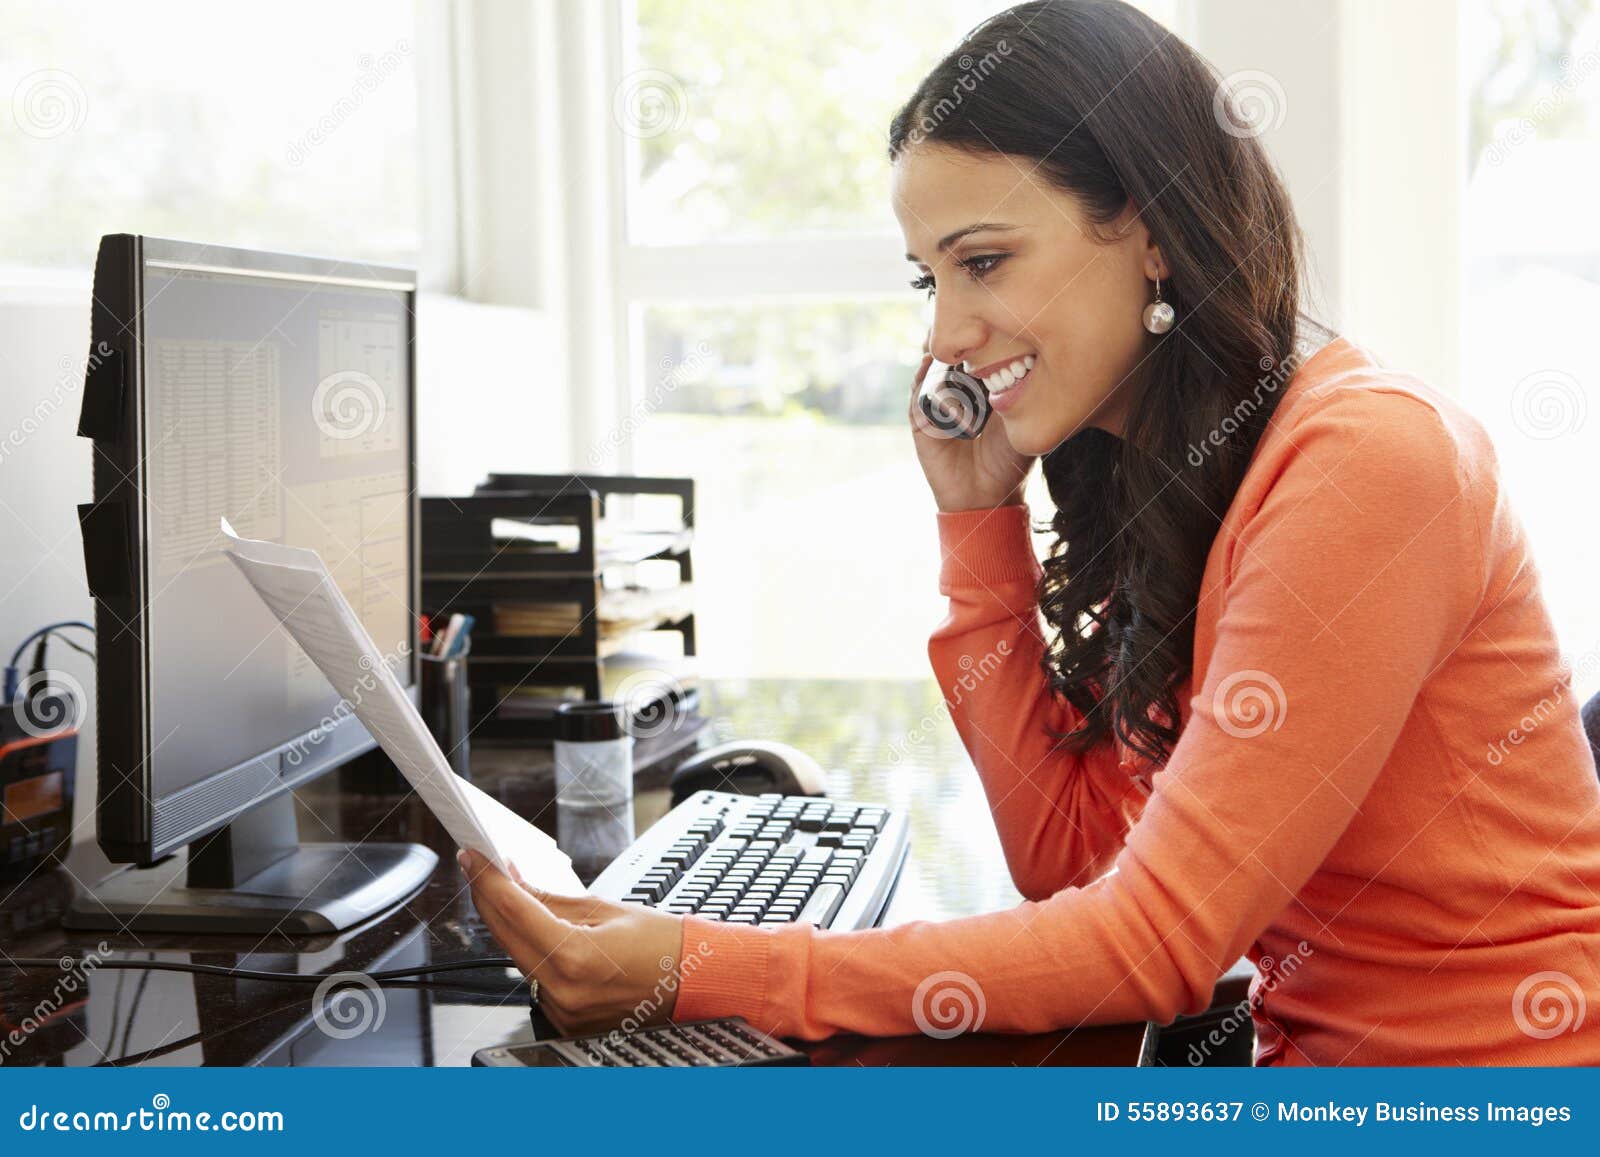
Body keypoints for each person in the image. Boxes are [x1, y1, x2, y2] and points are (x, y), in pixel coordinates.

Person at [460, 0, 1600, 1064]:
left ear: (1149, 232)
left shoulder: (1366, 464)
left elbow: (1154, 941)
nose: (947, 332)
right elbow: (1077, 860)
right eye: (930, 278)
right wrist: (976, 519)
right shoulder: (1177, 473)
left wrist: (701, 966)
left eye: (985, 261)